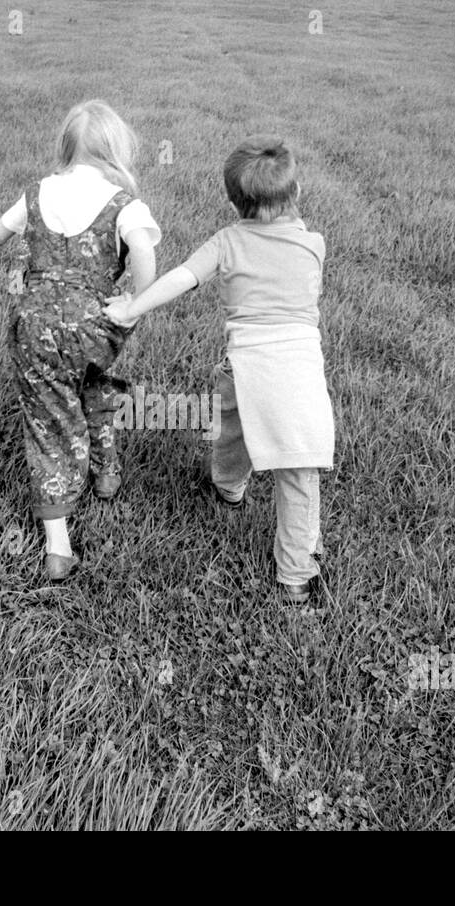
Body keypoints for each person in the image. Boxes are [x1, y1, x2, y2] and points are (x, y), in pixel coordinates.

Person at [103, 136, 332, 604]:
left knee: (234, 429)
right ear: (299, 194)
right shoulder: (314, 244)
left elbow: (182, 278)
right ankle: (295, 576)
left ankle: (229, 488)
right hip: (298, 372)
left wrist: (132, 308)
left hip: (243, 365)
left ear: (232, 203)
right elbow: (290, 233)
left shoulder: (226, 241)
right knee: (299, 474)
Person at [0, 100, 160, 581]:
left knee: (49, 420)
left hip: (35, 326)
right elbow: (143, 248)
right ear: (115, 152)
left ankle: (58, 546)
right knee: (93, 382)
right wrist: (135, 302)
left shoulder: (39, 192)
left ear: (66, 147)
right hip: (95, 326)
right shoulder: (124, 204)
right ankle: (105, 472)